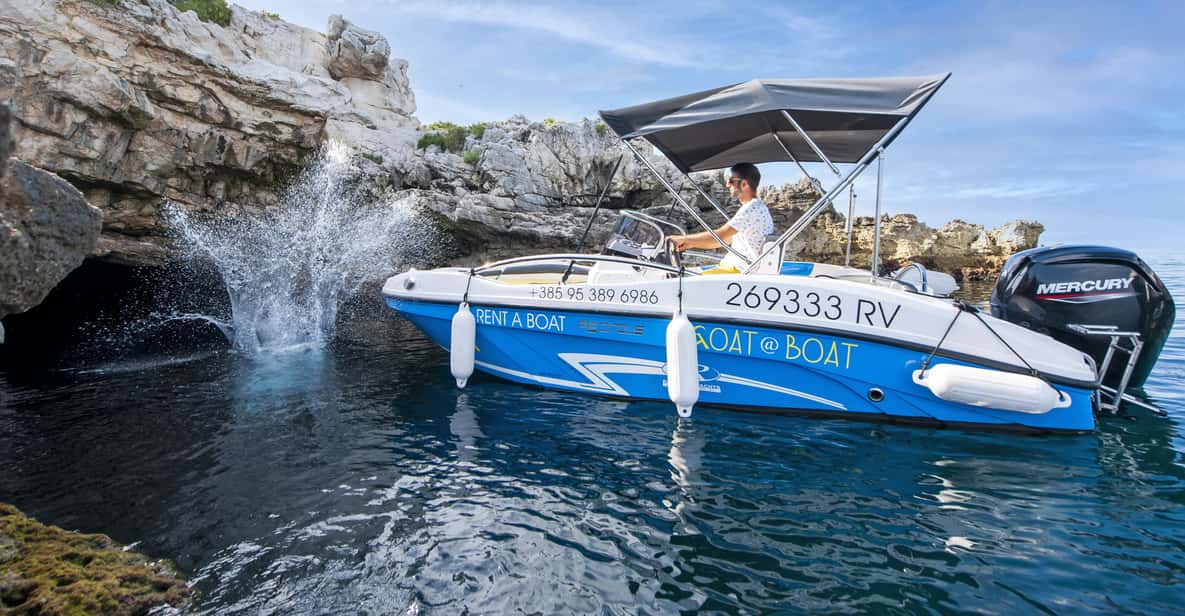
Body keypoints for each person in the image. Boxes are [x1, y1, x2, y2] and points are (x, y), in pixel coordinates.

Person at [668, 162, 774, 272]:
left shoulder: (752, 208)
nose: (728, 184)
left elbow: (721, 236)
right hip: (735, 270)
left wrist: (681, 239)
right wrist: (689, 243)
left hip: (738, 272)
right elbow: (724, 240)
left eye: (731, 180)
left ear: (744, 184)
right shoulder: (757, 207)